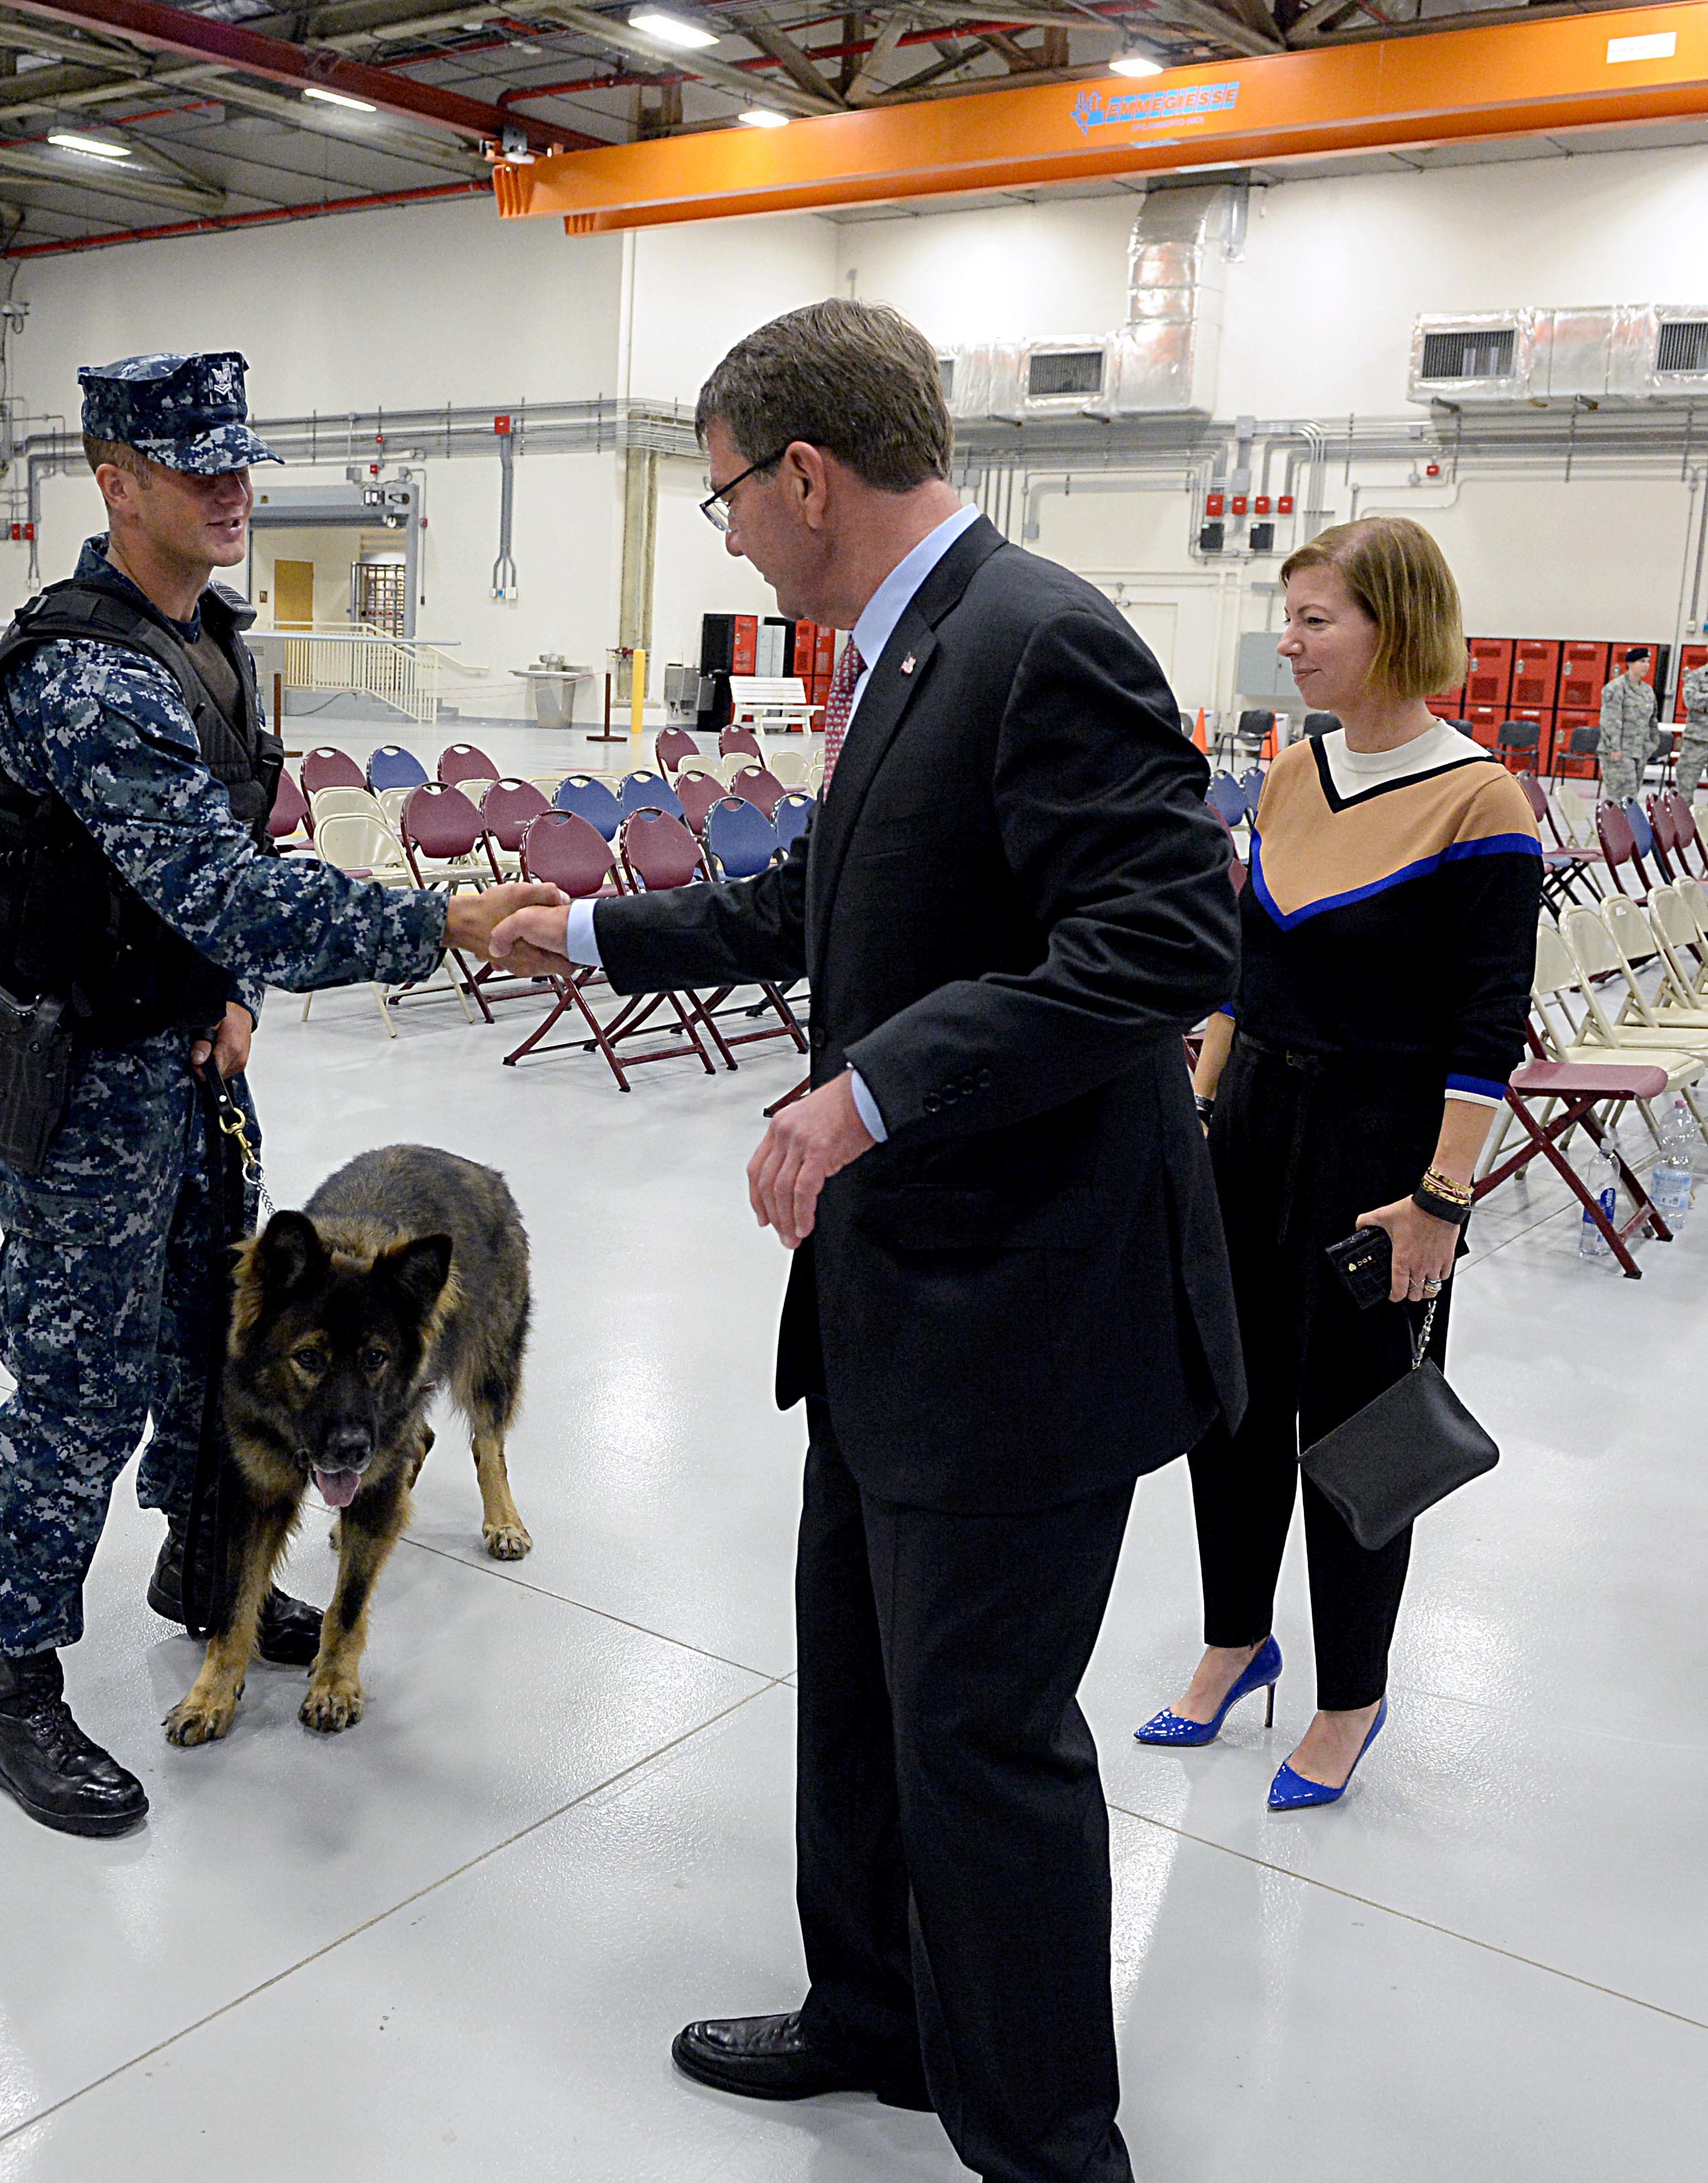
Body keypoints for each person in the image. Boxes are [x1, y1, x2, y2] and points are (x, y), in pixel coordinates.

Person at [493, 300, 1243, 2183]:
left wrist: (870, 1091)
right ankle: (879, 2019)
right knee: (859, 1679)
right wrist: (577, 937)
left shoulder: (1039, 637)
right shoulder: (912, 654)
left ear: (805, 475)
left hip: (1021, 1311)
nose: (728, 530)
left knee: (981, 1740)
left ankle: (1046, 2145)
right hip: (902, 1304)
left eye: (729, 493)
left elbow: (1162, 946)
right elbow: (825, 907)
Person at [0, 350, 556, 1840]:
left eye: (241, 463)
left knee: (211, 1356)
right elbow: (227, 882)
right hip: (86, 1084)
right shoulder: (86, 673)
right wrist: (442, 921)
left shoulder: (210, 644)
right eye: (196, 467)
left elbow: (206, 910)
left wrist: (234, 994)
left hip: (188, 1067)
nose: (232, 489)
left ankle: (195, 1571)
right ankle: (14, 1682)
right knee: (75, 1388)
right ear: (117, 481)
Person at [1142, 520, 1542, 1808]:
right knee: (1231, 1404)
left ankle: (1350, 1696)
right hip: (1250, 1133)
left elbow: (1488, 1031)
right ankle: (1233, 1637)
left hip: (1380, 1154)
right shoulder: (1289, 771)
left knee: (1358, 1435)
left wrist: (1440, 1201)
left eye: (1317, 619)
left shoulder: (1482, 799)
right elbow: (1242, 974)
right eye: (1288, 615)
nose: (1290, 641)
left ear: (1396, 628)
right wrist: (1199, 1110)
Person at [1596, 645, 1657, 803]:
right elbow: (1610, 720)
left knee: (1631, 799)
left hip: (1639, 752)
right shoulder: (1616, 688)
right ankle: (1614, 827)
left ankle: (1627, 827)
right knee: (1620, 798)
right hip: (1619, 752)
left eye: (1648, 662)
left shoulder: (1647, 691)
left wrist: (1651, 745)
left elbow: (1653, 720)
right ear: (1630, 664)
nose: (1646, 666)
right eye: (1642, 661)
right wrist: (1615, 748)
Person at [1679, 652, 1708, 805]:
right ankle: (1684, 826)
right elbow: (1690, 701)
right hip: (1696, 740)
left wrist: (1704, 703)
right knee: (1685, 786)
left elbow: (1698, 702)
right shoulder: (1696, 676)